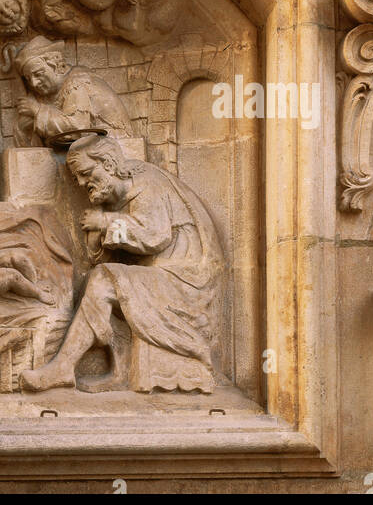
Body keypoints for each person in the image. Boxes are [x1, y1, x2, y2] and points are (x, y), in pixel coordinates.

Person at [20, 133, 223, 394]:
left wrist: (105, 223)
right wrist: (96, 240)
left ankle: (64, 366)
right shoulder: (115, 200)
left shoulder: (147, 183)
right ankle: (119, 370)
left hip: (186, 281)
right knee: (102, 283)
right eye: (77, 178)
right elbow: (107, 259)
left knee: (105, 280)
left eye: (85, 173)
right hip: (160, 276)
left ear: (107, 164)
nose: (82, 183)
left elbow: (154, 236)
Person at [12, 34, 133, 145]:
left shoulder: (77, 82)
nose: (33, 83)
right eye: (28, 79)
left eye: (38, 74)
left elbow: (77, 128)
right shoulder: (56, 89)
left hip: (115, 147)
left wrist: (37, 110)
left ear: (55, 65)